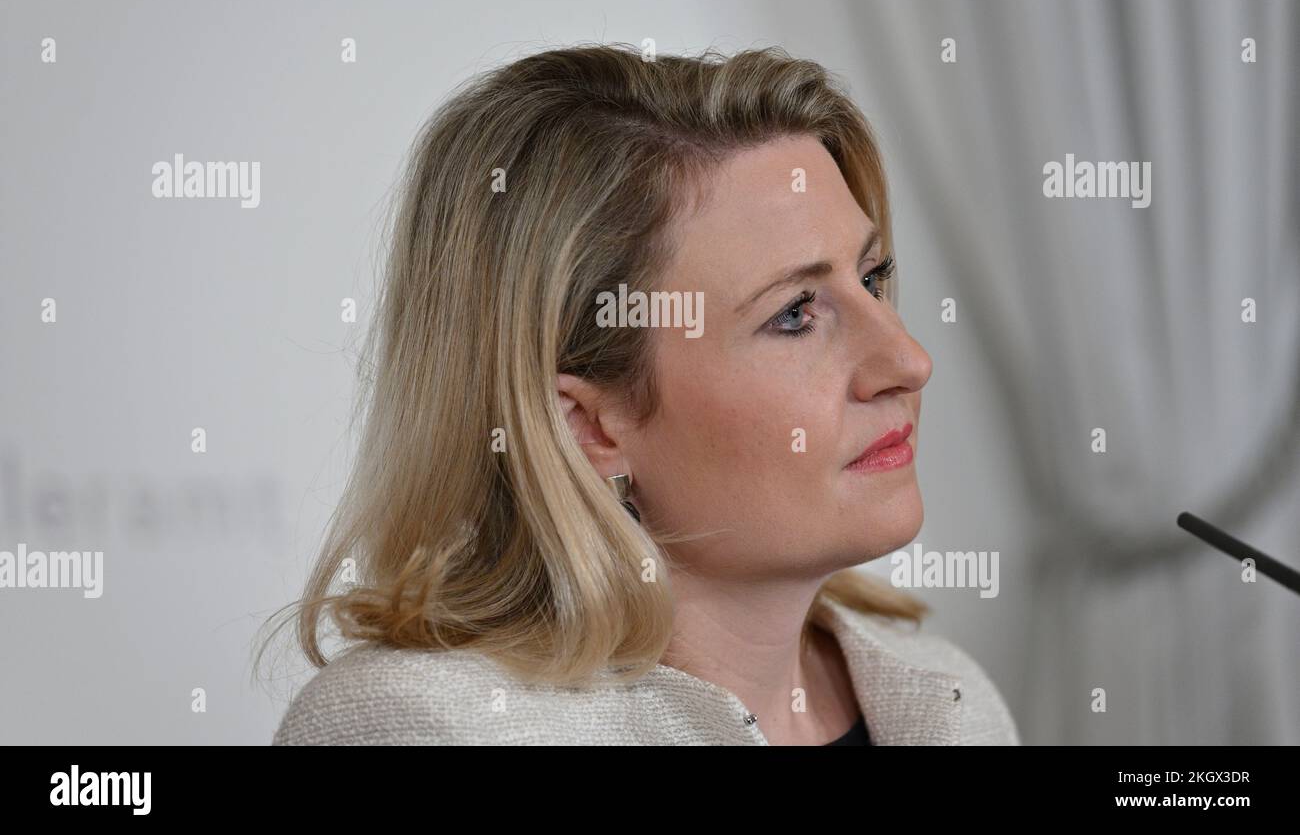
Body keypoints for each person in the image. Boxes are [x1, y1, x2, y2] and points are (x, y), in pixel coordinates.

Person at [261, 43, 1020, 746]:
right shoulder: (423, 729)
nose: (908, 360)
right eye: (794, 315)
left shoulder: (948, 698)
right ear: (587, 427)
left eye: (874, 278)